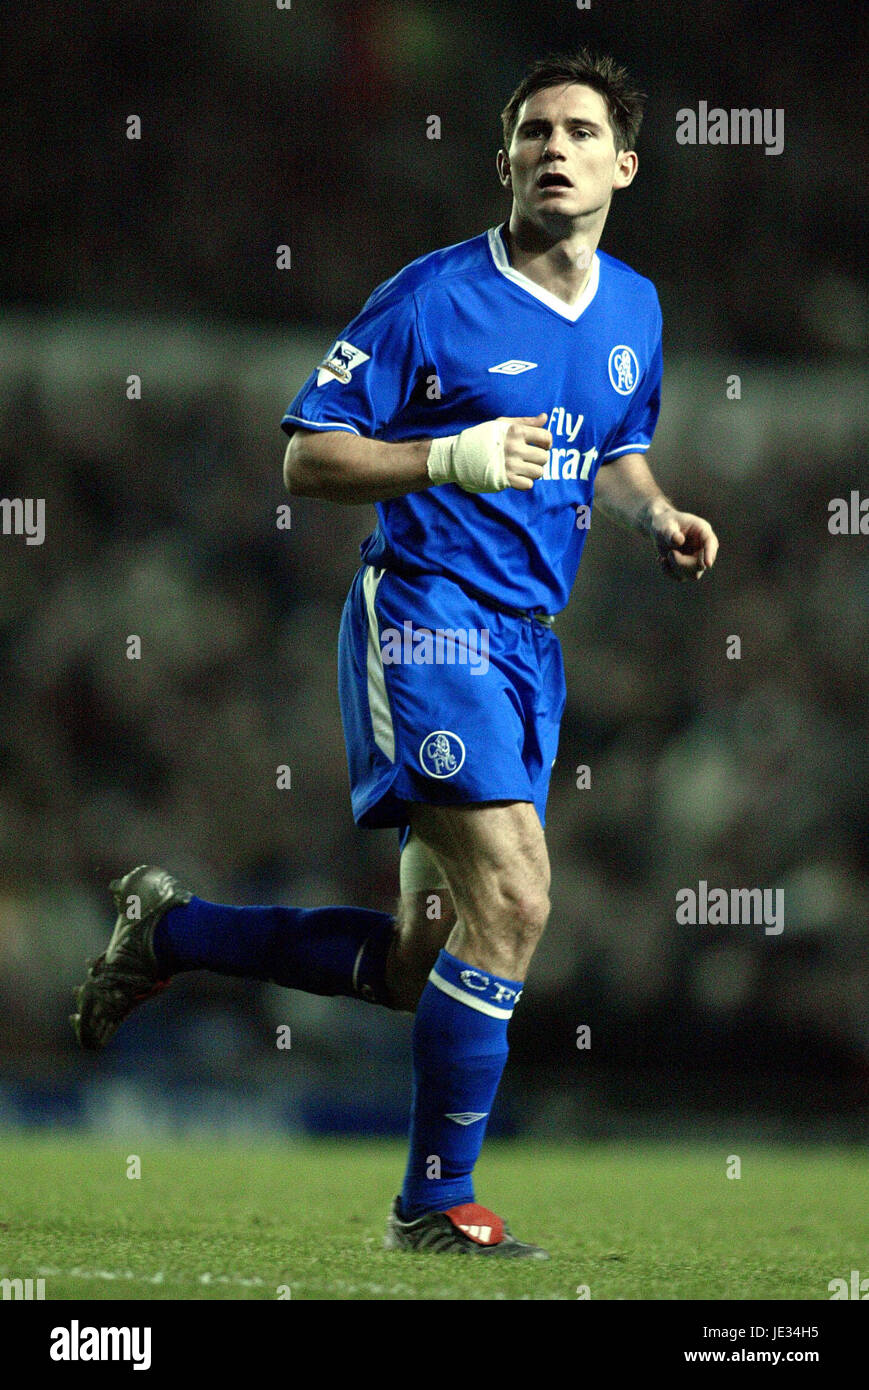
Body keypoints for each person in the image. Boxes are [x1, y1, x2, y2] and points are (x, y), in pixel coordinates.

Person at [72, 48, 718, 1259]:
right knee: (518, 894)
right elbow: (305, 457)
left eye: (579, 132)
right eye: (532, 132)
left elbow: (614, 445)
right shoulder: (428, 297)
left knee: (431, 960)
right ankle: (433, 1202)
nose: (553, 149)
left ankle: (174, 930)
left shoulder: (636, 306)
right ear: (504, 161)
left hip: (528, 645)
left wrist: (656, 516)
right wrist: (447, 456)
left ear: (622, 165)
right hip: (427, 616)